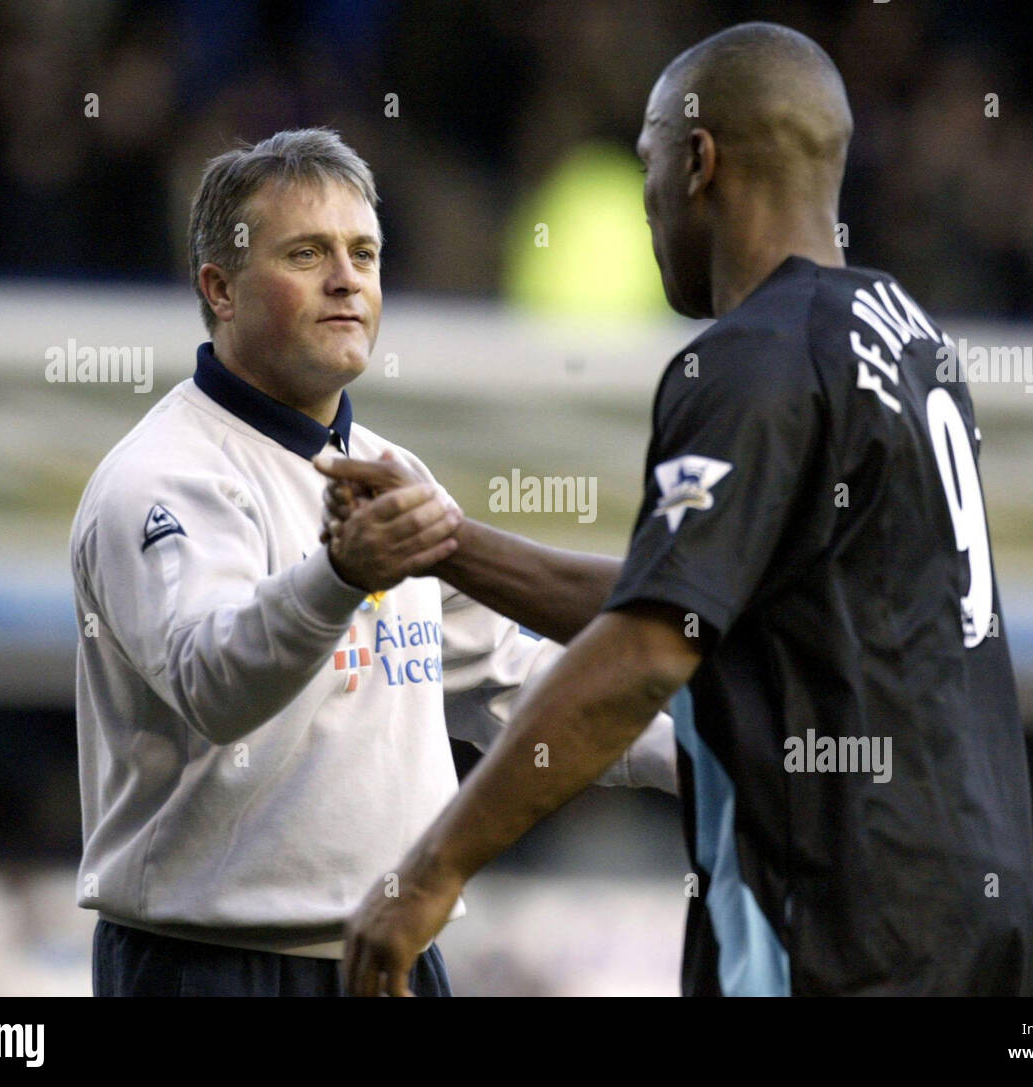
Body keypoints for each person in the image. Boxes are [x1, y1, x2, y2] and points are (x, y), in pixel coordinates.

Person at [335, 22, 1033, 997]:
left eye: (649, 163)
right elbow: (691, 609)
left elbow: (646, 652)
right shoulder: (900, 337)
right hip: (964, 939)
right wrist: (448, 545)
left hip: (835, 940)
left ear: (700, 160)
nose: (646, 200)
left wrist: (428, 873)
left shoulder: (755, 354)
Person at [70, 128, 676, 998]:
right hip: (209, 966)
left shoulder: (394, 470)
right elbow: (213, 682)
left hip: (391, 955)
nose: (346, 278)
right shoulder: (158, 478)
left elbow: (509, 679)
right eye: (307, 253)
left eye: (364, 253)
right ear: (220, 287)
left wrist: (710, 755)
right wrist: (338, 577)